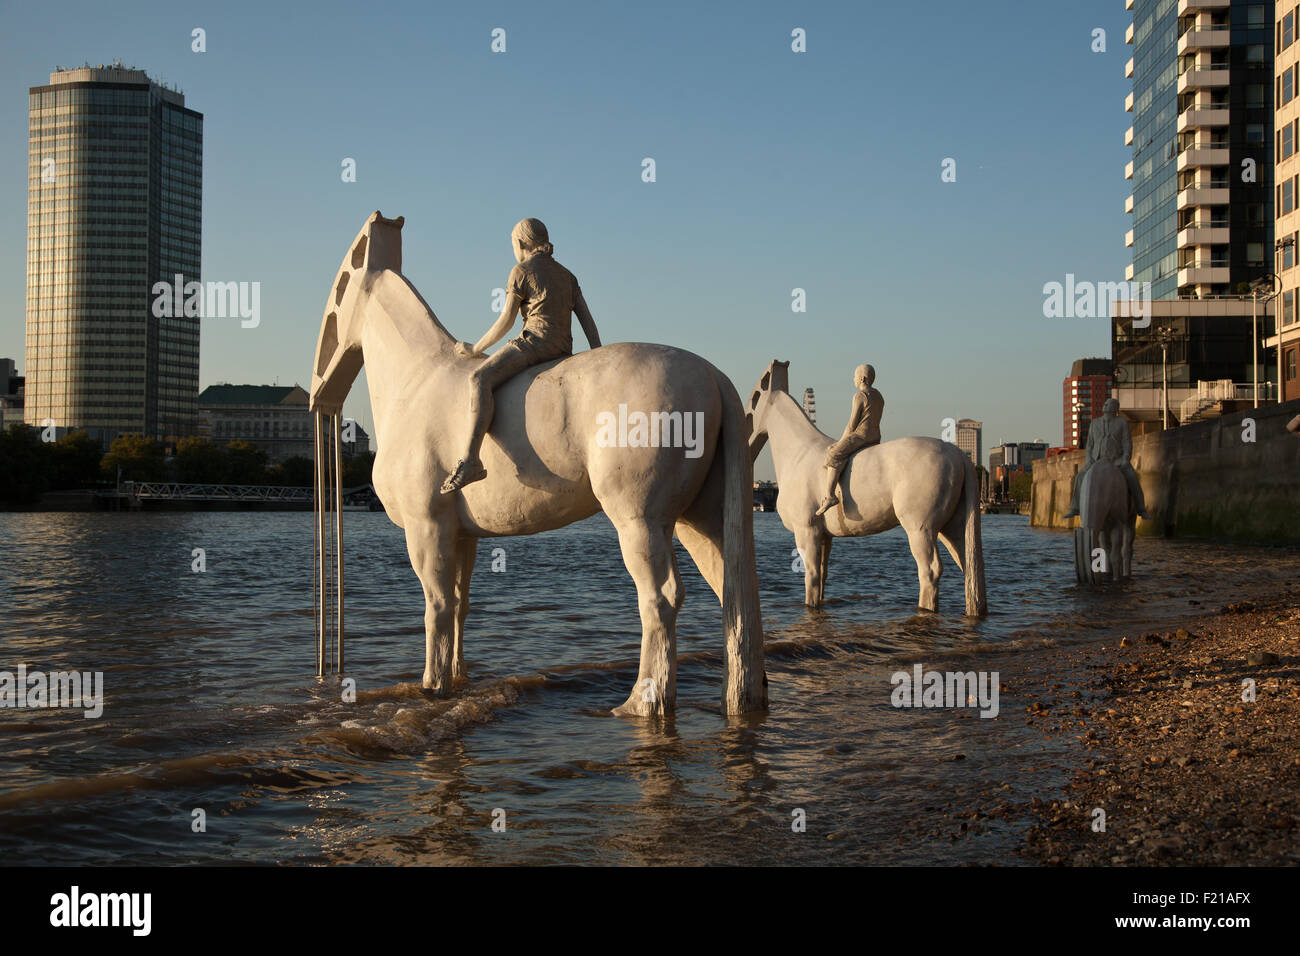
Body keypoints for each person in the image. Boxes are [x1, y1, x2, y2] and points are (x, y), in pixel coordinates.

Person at [441, 218, 601, 494]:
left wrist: (475, 349)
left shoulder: (521, 271)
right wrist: (598, 354)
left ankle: (470, 460)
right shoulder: (567, 275)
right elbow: (587, 321)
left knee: (479, 378)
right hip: (563, 348)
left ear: (520, 243)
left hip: (534, 344)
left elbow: (506, 321)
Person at [1063, 397, 1150, 520]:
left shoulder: (1122, 422)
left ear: (1115, 408)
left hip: (1116, 460)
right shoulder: (1094, 423)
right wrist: (1089, 459)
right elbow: (1090, 445)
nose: (1105, 405)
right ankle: (1074, 508)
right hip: (1096, 460)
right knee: (1080, 477)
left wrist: (1125, 459)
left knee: (1132, 478)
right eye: (1105, 404)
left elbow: (1126, 442)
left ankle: (1141, 509)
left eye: (1109, 404)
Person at [815, 364, 884, 517]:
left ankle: (830, 495)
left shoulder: (860, 396)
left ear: (862, 378)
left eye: (854, 376)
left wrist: (839, 443)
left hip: (861, 436)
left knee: (834, 454)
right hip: (875, 436)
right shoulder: (879, 395)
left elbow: (852, 425)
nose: (853, 379)